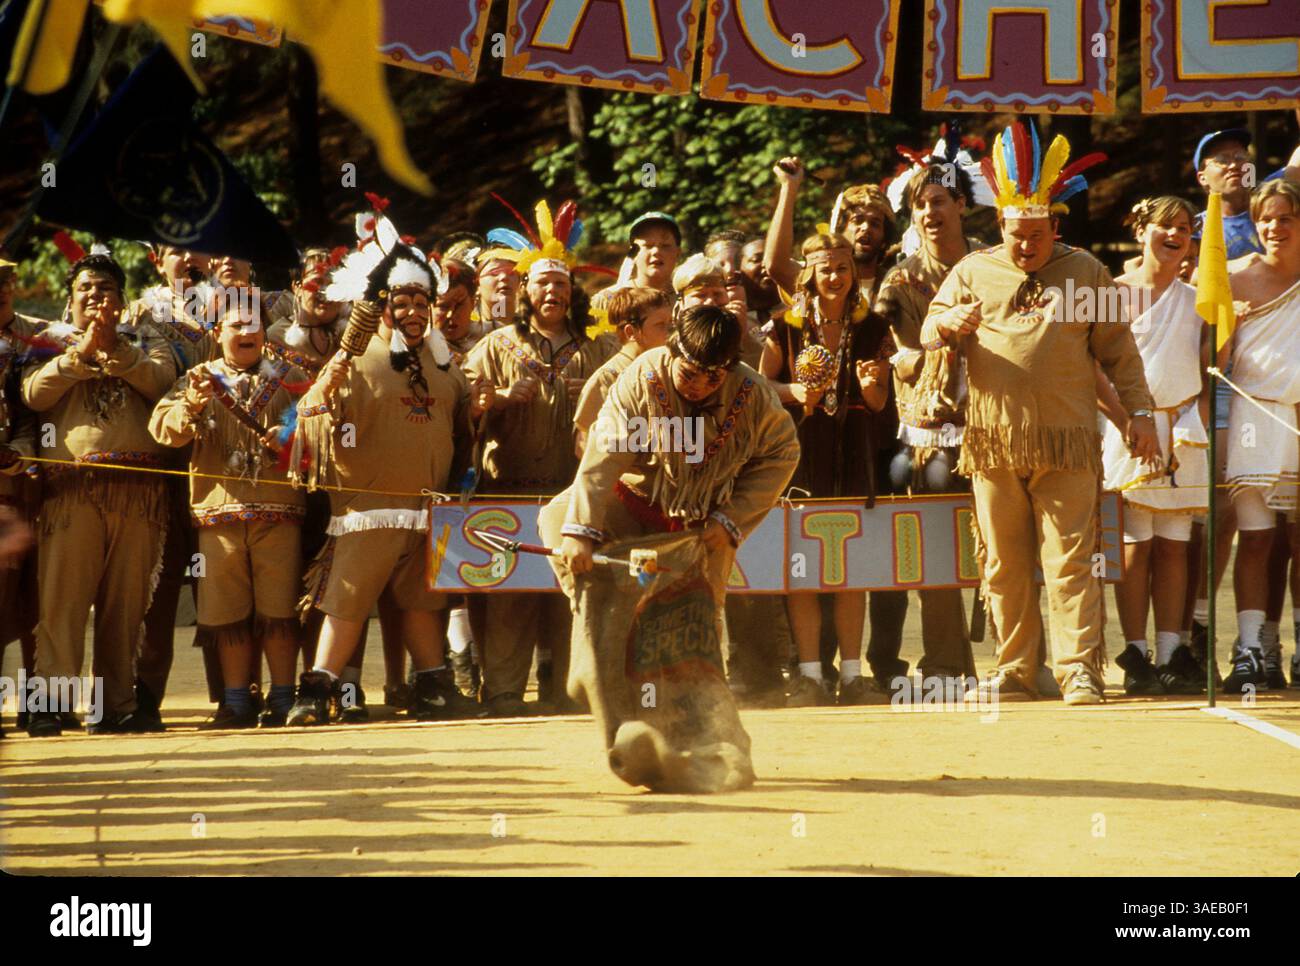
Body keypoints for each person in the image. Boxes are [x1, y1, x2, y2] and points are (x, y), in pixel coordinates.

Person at [920, 121, 1158, 706]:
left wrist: (1141, 413)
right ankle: (1017, 671)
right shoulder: (973, 269)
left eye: (1036, 234)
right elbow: (929, 328)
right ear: (1000, 225)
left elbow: (1120, 353)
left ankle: (1078, 669)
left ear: (1055, 224)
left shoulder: (1085, 273)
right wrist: (946, 325)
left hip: (1068, 441)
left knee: (1071, 559)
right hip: (993, 442)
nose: (1025, 245)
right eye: (1015, 233)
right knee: (1002, 565)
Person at [541, 304, 800, 790]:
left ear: (729, 369)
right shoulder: (640, 380)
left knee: (695, 628)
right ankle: (614, 711)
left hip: (703, 526)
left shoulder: (755, 395)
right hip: (630, 507)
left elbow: (783, 454)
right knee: (557, 520)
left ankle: (710, 741)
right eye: (689, 372)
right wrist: (580, 532)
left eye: (712, 377)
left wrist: (732, 518)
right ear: (672, 349)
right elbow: (600, 462)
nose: (698, 386)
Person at [288, 225, 483, 725]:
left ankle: (434, 684)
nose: (415, 313)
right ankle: (316, 690)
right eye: (403, 302)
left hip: (426, 510)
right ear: (381, 305)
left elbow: (461, 431)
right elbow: (307, 422)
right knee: (346, 604)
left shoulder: (446, 366)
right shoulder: (351, 361)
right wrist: (321, 397)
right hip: (367, 509)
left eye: (424, 303)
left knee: (422, 604)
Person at [465, 202, 613, 716]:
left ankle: (568, 693)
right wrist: (499, 401)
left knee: (572, 592)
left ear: (574, 293)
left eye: (563, 286)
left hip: (573, 493)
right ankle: (504, 693)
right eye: (543, 285)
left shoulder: (598, 348)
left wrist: (591, 399)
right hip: (508, 487)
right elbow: (465, 408)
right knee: (509, 596)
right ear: (525, 291)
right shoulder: (494, 346)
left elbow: (625, 401)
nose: (553, 293)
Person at [21, 252, 179, 735]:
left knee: (125, 606)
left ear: (122, 299)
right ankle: (51, 701)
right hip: (72, 490)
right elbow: (34, 395)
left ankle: (116, 705)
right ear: (70, 301)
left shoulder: (149, 339)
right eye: (86, 288)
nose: (96, 296)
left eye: (106, 288)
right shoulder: (48, 340)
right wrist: (79, 356)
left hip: (139, 493)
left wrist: (120, 354)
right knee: (63, 603)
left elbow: (164, 383)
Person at [149, 301, 308, 727]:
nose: (246, 330)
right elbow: (163, 431)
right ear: (219, 331)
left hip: (280, 512)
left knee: (280, 609)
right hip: (218, 514)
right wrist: (193, 408)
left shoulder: (290, 376)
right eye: (236, 323)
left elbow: (322, 426)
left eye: (253, 323)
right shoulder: (196, 380)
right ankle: (236, 701)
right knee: (226, 613)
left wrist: (290, 436)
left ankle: (282, 697)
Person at [760, 232, 893, 705]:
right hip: (800, 453)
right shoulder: (784, 327)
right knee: (804, 568)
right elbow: (760, 388)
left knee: (851, 566)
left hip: (853, 452)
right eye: (825, 269)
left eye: (842, 268)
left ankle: (854, 677)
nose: (834, 277)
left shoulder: (875, 327)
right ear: (809, 276)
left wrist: (870, 384)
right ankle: (812, 676)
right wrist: (795, 393)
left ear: (853, 273)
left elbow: (878, 404)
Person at [872, 151, 987, 693]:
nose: (929, 213)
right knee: (937, 546)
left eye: (939, 201)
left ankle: (1021, 659)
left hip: (998, 425)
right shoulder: (900, 280)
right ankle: (945, 663)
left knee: (1009, 547)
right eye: (920, 204)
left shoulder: (997, 264)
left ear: (963, 205)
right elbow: (906, 359)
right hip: (931, 435)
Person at [1099, 196, 1209, 695]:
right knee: (1134, 545)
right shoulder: (1111, 294)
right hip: (1128, 431)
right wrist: (1128, 423)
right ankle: (1136, 655)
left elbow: (1210, 372)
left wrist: (1193, 428)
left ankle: (1170, 654)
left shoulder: (1198, 299)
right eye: (1165, 225)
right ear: (1140, 228)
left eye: (1184, 227)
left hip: (1182, 431)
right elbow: (1094, 370)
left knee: (1175, 545)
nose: (1175, 234)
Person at [1219, 179, 1300, 693]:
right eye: (1265, 218)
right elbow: (1212, 361)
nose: (1275, 227)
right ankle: (1251, 649)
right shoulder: (1233, 278)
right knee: (1256, 538)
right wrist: (1228, 326)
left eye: (1286, 217)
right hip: (1252, 415)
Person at [0, 255, 45, 736]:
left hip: (36, 487)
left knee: (38, 602)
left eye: (5, 280)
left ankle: (41, 704)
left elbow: (39, 414)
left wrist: (19, 452)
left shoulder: (41, 337)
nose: (0, 289)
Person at [765, 160, 897, 299]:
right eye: (857, 220)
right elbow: (776, 266)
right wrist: (789, 186)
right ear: (839, 231)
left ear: (884, 238)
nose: (865, 228)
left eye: (875, 224)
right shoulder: (816, 279)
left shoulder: (897, 284)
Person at [573, 286, 672, 455]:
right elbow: (583, 446)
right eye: (660, 325)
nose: (670, 332)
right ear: (631, 332)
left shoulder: (667, 370)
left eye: (670, 324)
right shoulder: (608, 378)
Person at [594, 211, 683, 308]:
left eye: (665, 246)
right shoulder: (609, 300)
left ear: (678, 253)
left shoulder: (688, 298)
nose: (656, 251)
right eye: (648, 246)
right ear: (633, 253)